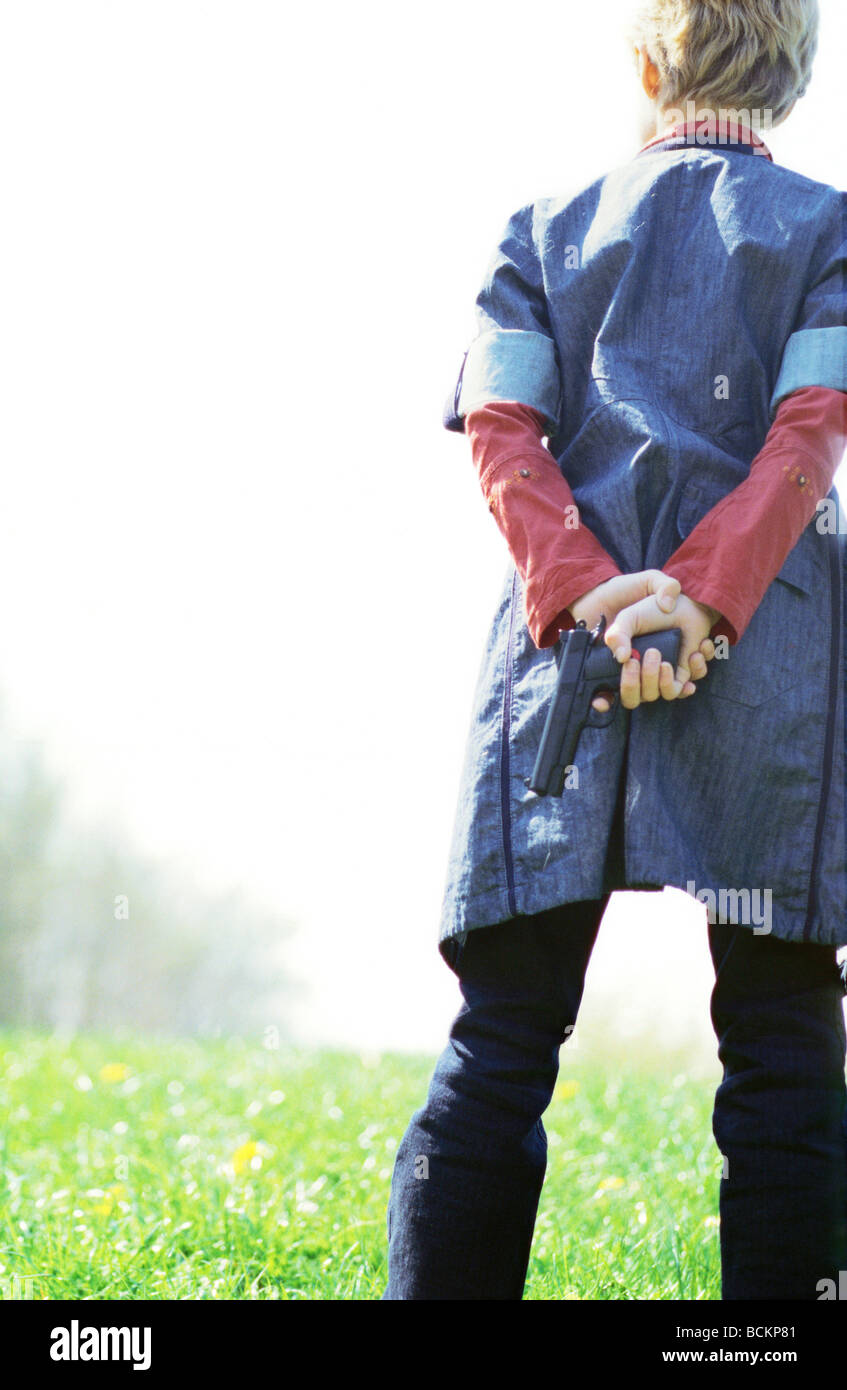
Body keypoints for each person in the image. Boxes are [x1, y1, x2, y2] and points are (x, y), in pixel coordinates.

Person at [383, 0, 847, 1300]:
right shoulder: (832, 234)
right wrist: (699, 604)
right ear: (796, 82)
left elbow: (503, 432)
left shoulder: (536, 235)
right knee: (782, 1030)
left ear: (644, 65)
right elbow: (807, 437)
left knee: (505, 1035)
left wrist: (593, 598)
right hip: (767, 684)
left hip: (561, 687)